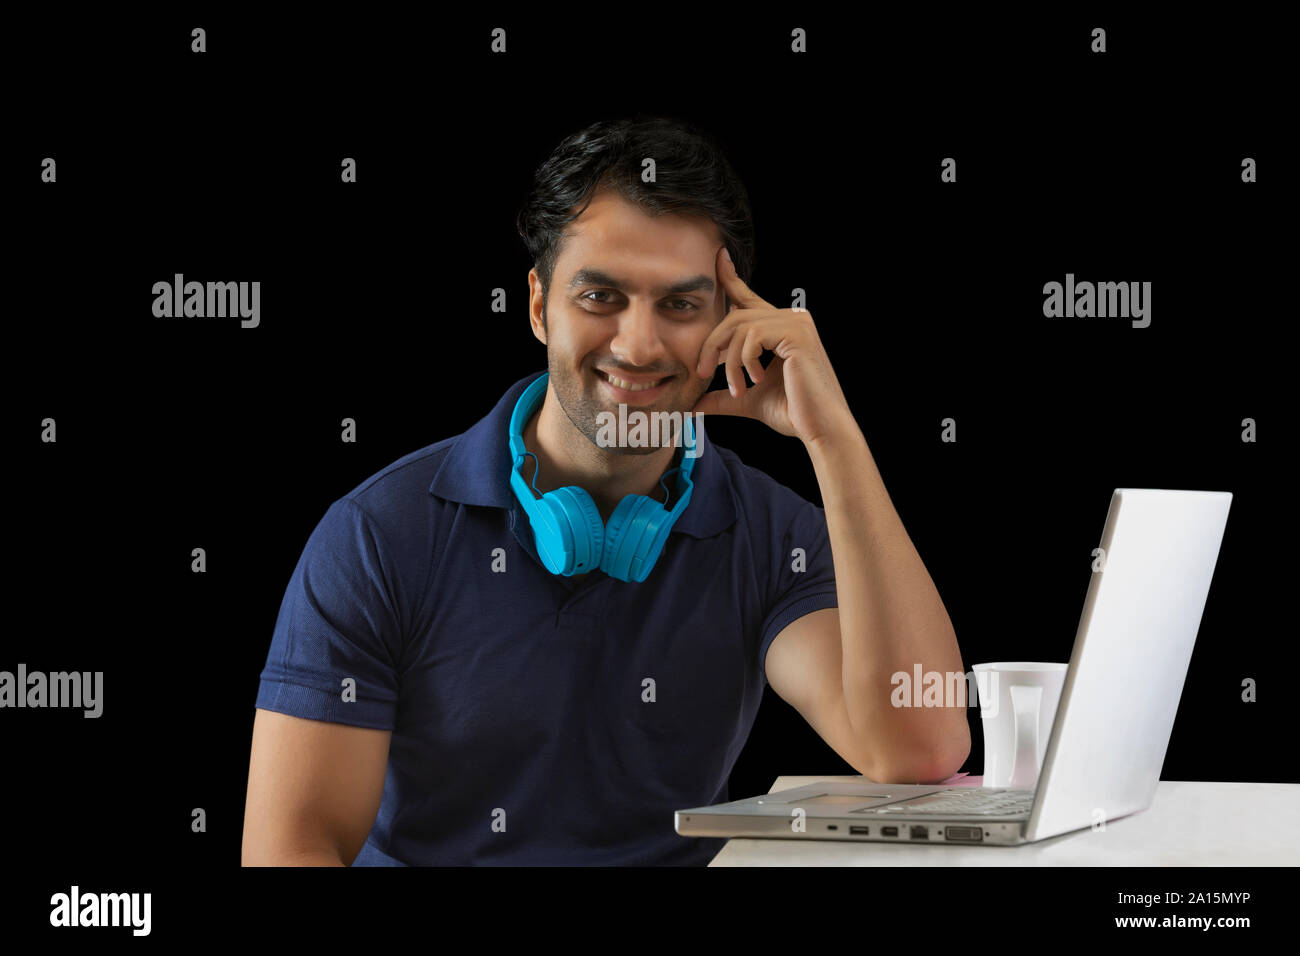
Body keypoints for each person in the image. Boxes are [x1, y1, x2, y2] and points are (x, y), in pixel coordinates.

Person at [241, 115, 968, 866]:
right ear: (536, 306)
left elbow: (920, 745)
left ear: (729, 323)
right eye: (601, 297)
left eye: (681, 305)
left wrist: (835, 441)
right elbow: (291, 848)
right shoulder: (374, 536)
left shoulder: (772, 536)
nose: (640, 345)